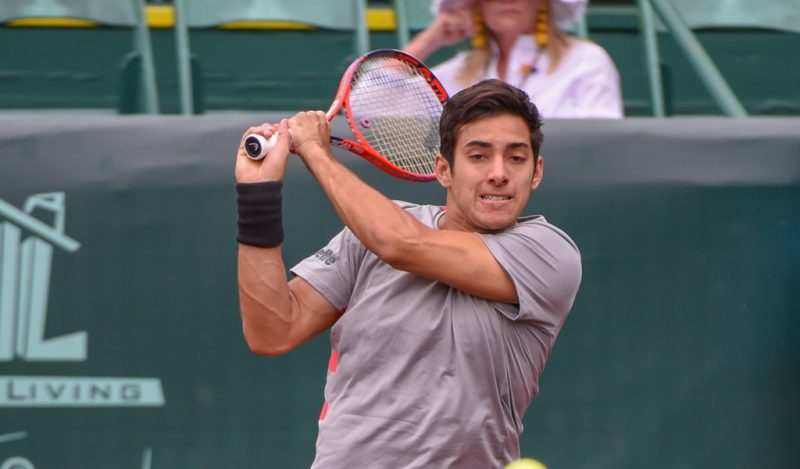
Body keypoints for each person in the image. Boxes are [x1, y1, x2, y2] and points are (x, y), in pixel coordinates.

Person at [234, 79, 582, 467]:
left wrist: (314, 150)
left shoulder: (549, 253)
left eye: (516, 158)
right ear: (443, 170)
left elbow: (401, 244)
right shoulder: (366, 235)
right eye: (479, 156)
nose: (499, 173)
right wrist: (257, 196)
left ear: (536, 172)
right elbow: (272, 331)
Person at [404, 0, 624, 119]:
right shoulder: (459, 71)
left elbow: (603, 144)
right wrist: (427, 40)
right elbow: (375, 107)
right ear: (475, 5)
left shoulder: (586, 60)